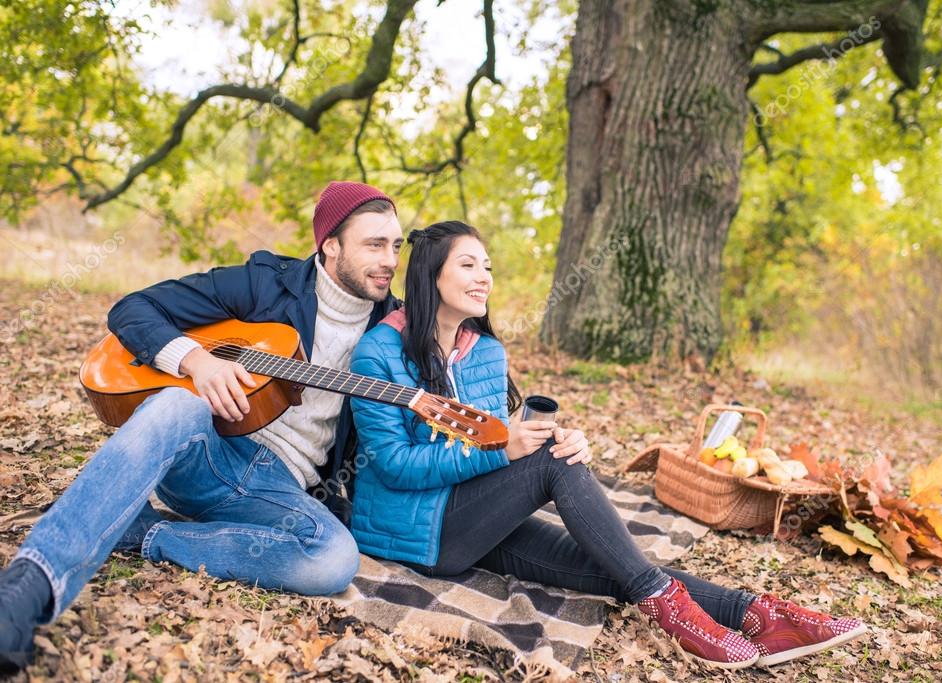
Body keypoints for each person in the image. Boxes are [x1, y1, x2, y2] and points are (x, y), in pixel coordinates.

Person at [346, 220, 869, 670]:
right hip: (418, 531)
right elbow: (393, 466)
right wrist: (505, 452)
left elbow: (490, 438)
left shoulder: (485, 353)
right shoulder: (379, 352)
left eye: (487, 266)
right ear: (429, 273)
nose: (484, 277)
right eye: (468, 265)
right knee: (556, 469)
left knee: (607, 559)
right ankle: (665, 605)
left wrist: (545, 440)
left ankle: (758, 614)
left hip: (475, 514)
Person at [0, 181, 404, 673]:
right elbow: (133, 310)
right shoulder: (266, 282)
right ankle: (30, 586)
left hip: (278, 490)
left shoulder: (395, 327)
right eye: (375, 244)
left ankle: (148, 533)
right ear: (331, 245)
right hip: (209, 453)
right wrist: (198, 364)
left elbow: (448, 370)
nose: (389, 260)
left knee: (335, 559)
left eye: (396, 246)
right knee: (175, 404)